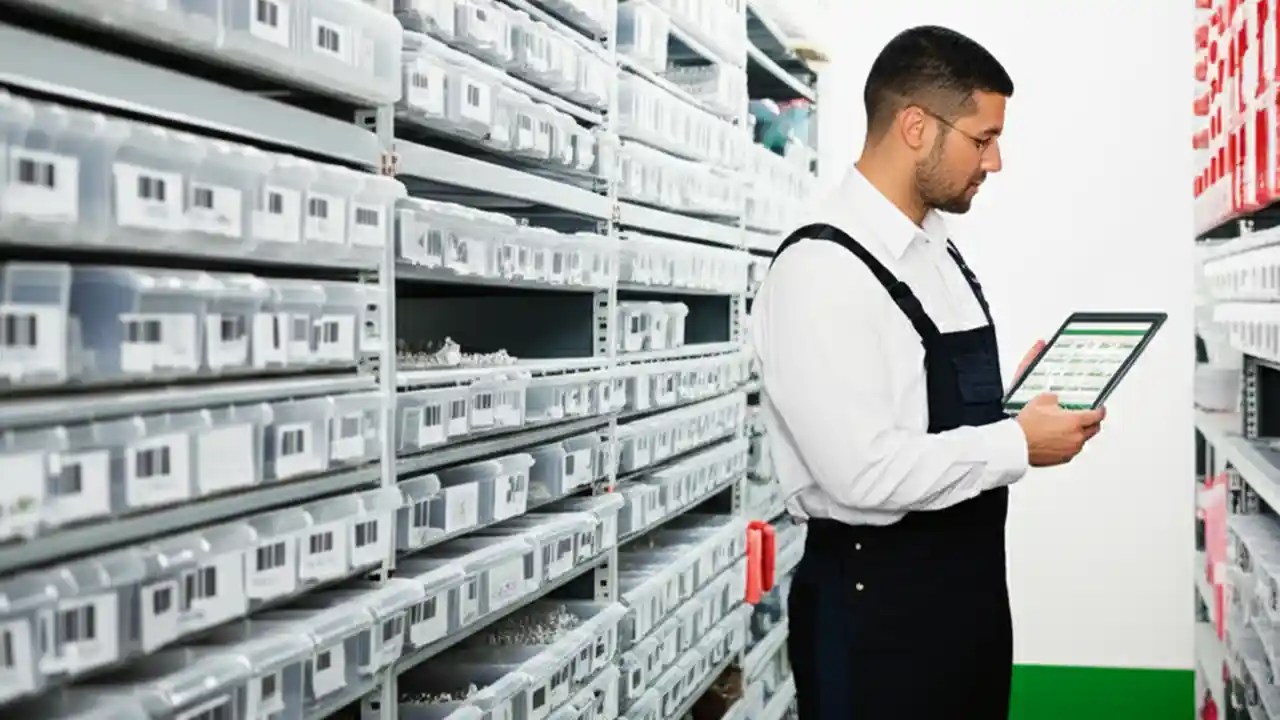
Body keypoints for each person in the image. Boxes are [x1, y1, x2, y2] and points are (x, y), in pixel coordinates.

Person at [750, 25, 1107, 718]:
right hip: (876, 624)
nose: (995, 161)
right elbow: (861, 473)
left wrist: (1017, 411)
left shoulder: (935, 252)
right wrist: (1016, 444)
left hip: (963, 605)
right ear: (916, 125)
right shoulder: (822, 271)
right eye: (982, 138)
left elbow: (925, 414)